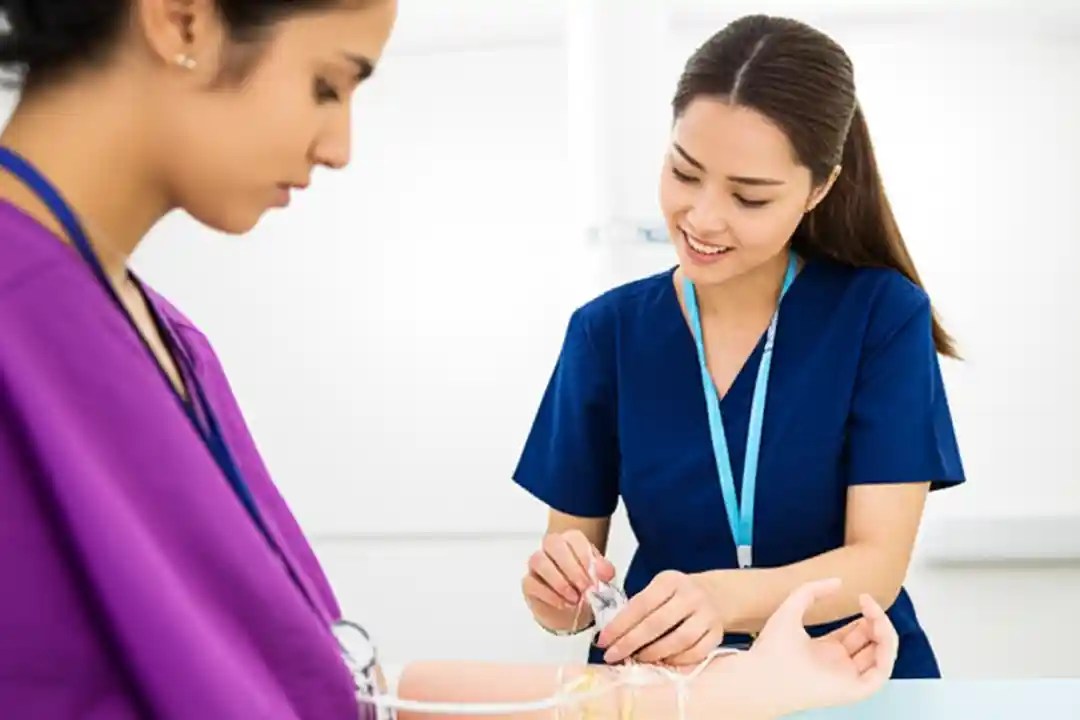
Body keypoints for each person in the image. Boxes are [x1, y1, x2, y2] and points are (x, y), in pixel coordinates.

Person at [0, 1, 900, 718]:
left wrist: (717, 688)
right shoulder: (40, 323)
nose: (341, 145)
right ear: (182, 19)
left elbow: (334, 687)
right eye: (327, 83)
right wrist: (619, 640)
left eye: (749, 195)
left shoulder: (160, 341)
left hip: (824, 667)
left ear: (817, 189)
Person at [515, 14, 965, 679]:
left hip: (849, 683)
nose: (701, 218)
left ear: (820, 188)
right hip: (671, 689)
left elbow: (877, 565)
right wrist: (558, 596)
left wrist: (717, 598)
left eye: (749, 197)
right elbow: (574, 592)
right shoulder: (605, 334)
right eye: (683, 171)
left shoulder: (881, 317)